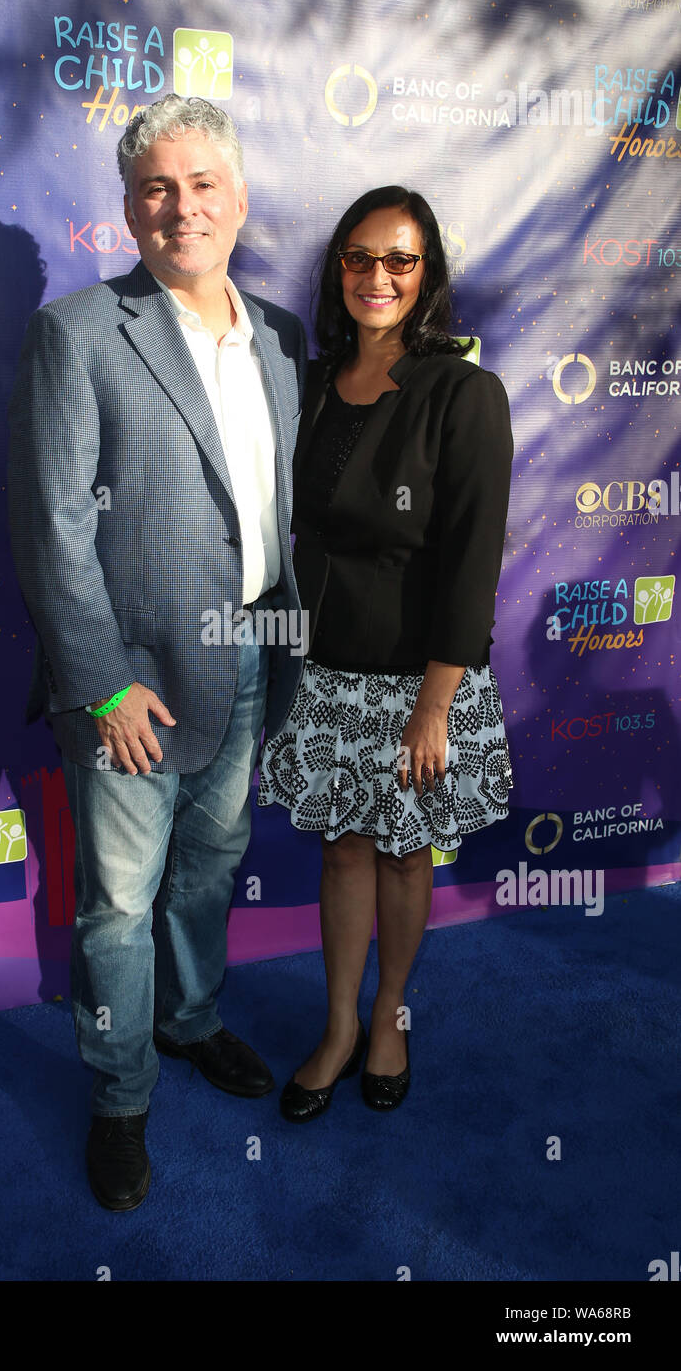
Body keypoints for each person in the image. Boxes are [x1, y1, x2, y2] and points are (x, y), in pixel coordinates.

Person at [8, 95, 308, 1208]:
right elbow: (52, 528)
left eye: (202, 185)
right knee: (117, 907)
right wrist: (98, 686)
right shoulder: (78, 332)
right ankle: (119, 1097)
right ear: (129, 210)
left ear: (238, 198)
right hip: (129, 682)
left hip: (248, 661)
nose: (181, 208)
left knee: (210, 870)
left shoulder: (282, 335)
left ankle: (188, 1024)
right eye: (156, 189)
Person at [258, 185, 514, 1122]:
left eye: (400, 260)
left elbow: (473, 561)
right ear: (339, 268)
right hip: (327, 676)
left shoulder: (463, 392)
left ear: (428, 275)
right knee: (342, 856)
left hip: (421, 680)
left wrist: (435, 707)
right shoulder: (314, 383)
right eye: (360, 258)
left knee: (408, 858)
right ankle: (336, 1028)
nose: (378, 276)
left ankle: (390, 1019)